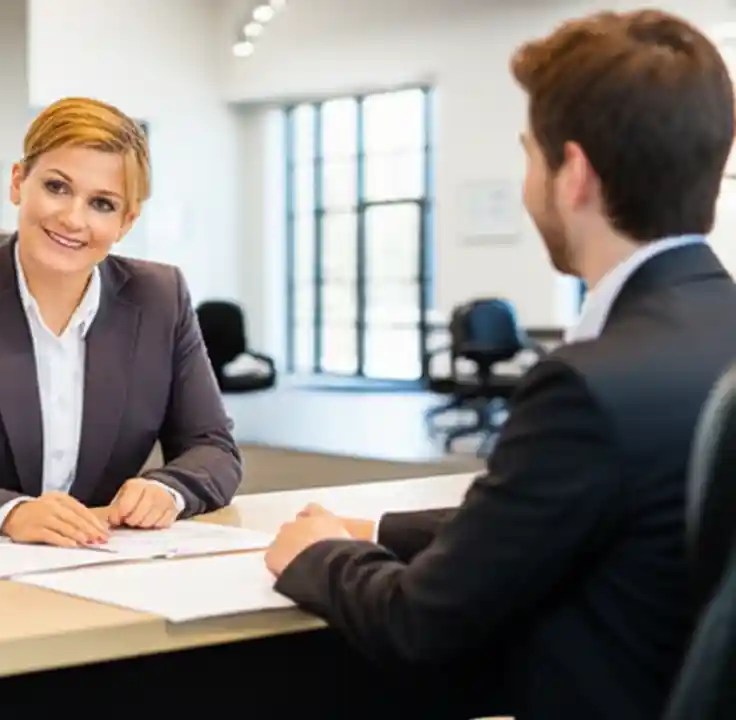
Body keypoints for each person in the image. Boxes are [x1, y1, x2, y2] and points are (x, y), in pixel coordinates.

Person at [264, 10, 736, 720]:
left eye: (530, 155)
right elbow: (546, 516)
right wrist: (381, 528)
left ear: (572, 174)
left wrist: (319, 552)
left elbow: (419, 624)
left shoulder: (589, 386)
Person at [0, 97, 241, 546]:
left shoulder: (161, 299)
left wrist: (167, 489)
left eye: (102, 203)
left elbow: (213, 448)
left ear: (126, 221)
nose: (73, 218)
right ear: (19, 182)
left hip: (100, 563)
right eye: (57, 187)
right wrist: (10, 514)